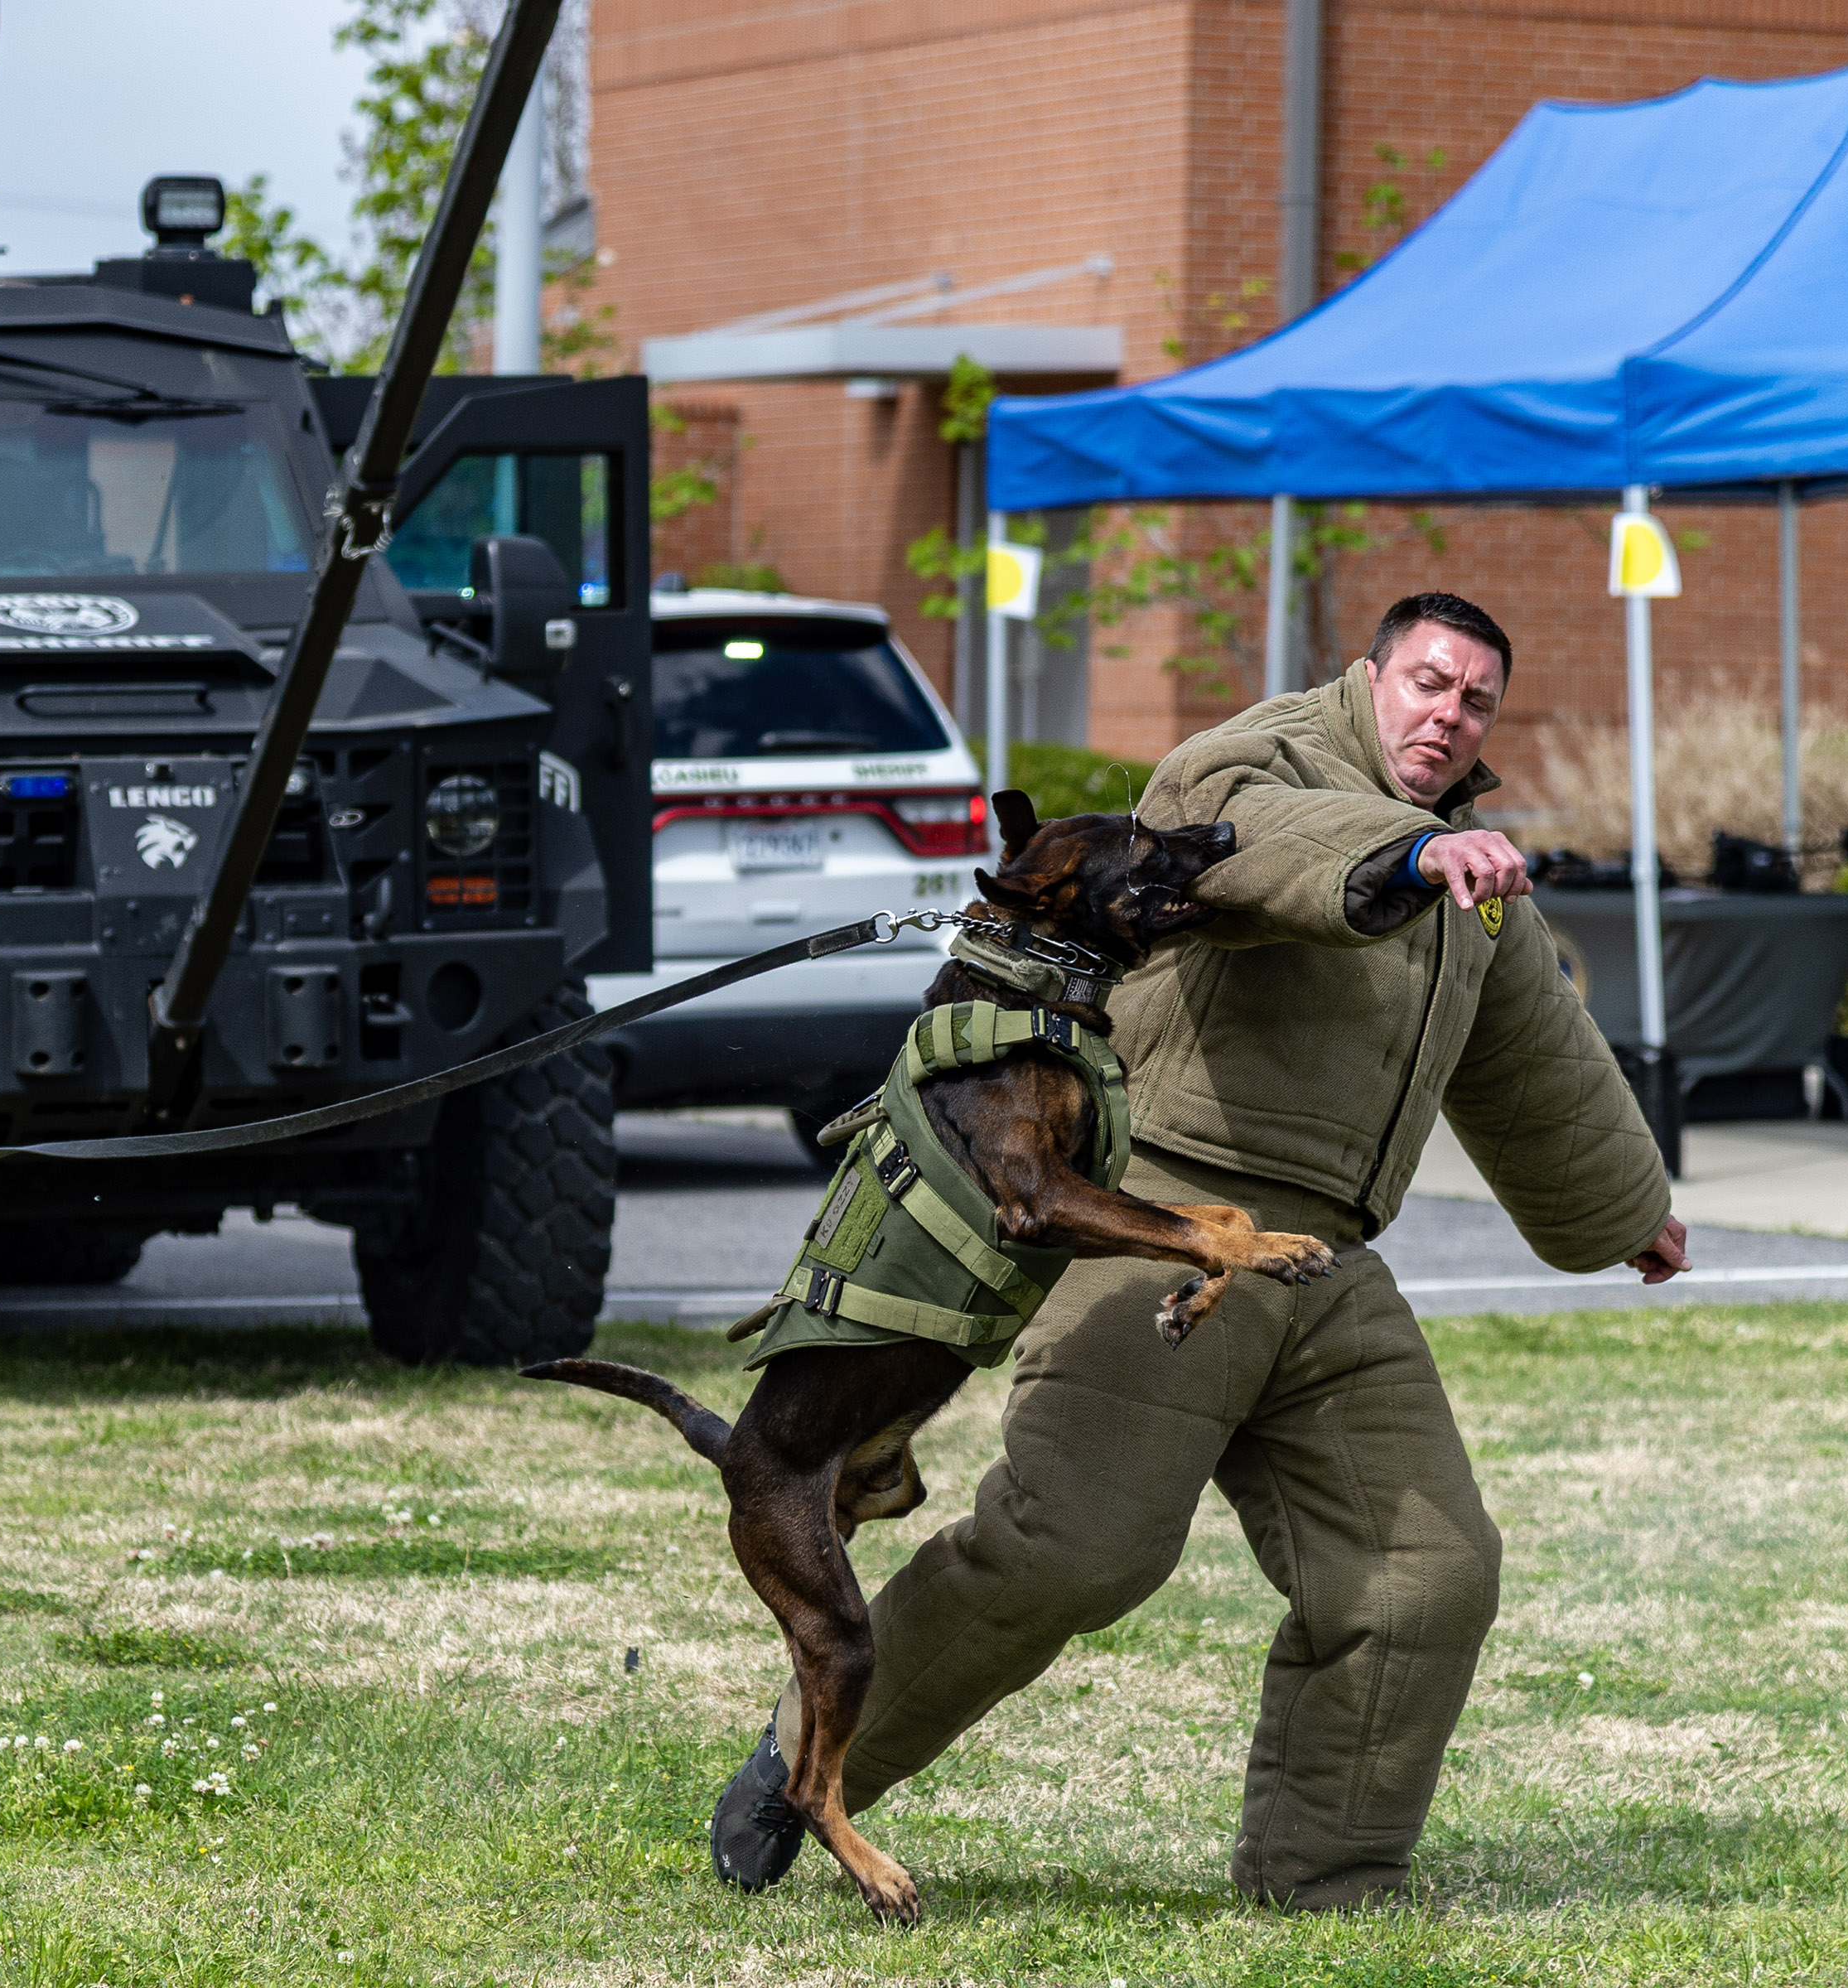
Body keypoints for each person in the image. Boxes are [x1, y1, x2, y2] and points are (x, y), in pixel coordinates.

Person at [712, 591, 1690, 1911]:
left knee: (1428, 1578)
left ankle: (1325, 1881)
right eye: (1429, 682)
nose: (1450, 715)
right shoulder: (1256, 761)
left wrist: (1626, 1205)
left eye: (1477, 701)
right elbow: (1261, 850)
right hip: (1163, 1219)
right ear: (1370, 678)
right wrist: (1406, 855)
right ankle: (801, 1765)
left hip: (1326, 1257)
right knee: (1072, 1551)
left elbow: (1533, 1051)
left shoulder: (1472, 876)